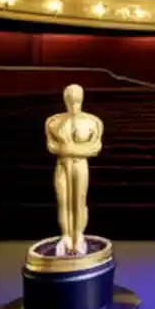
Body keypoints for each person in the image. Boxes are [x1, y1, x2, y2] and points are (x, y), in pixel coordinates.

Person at [44, 84, 103, 256]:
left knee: (78, 201)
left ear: (82, 98)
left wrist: (66, 149)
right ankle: (66, 236)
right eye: (69, 97)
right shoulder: (53, 121)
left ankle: (78, 235)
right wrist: (74, 149)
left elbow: (95, 148)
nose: (73, 101)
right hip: (62, 165)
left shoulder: (93, 122)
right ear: (64, 99)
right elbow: (51, 147)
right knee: (63, 201)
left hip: (79, 165)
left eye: (76, 97)